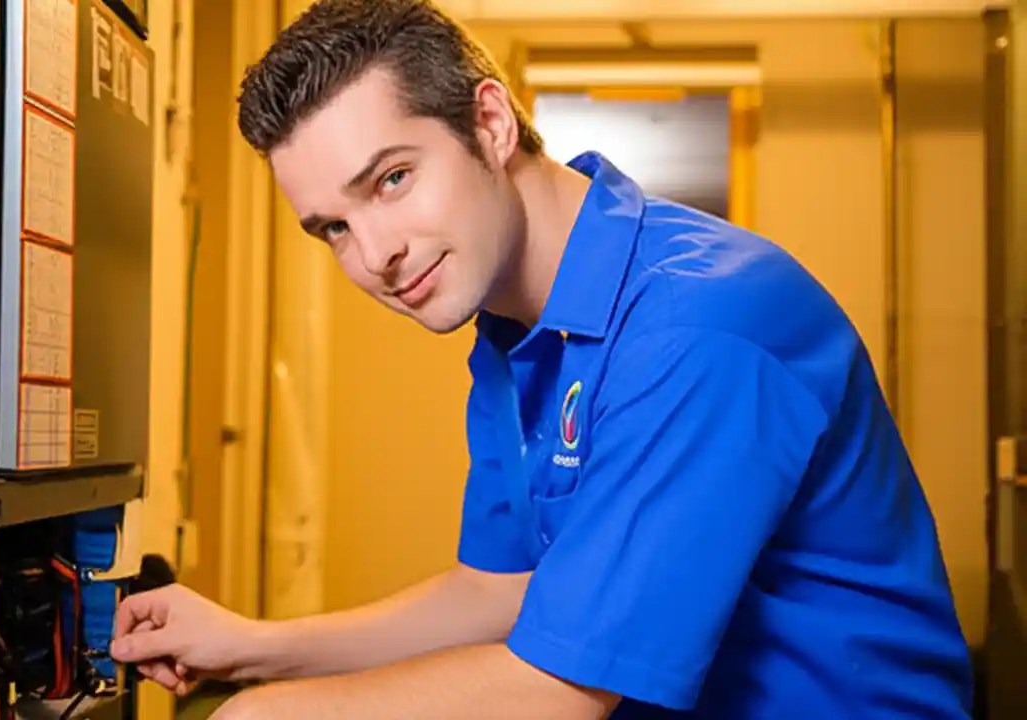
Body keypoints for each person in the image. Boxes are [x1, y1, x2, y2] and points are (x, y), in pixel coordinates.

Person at [110, 0, 974, 717]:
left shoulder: (696, 327)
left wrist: (264, 713)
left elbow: (562, 692)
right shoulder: (517, 331)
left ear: (488, 123)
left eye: (392, 180)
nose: (374, 254)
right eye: (332, 226)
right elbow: (500, 593)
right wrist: (255, 648)